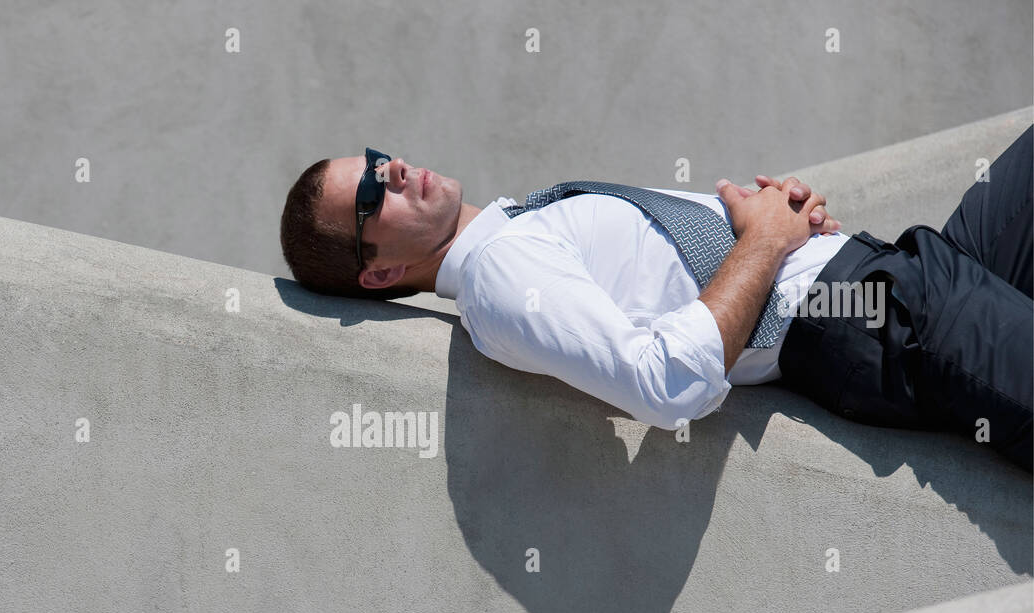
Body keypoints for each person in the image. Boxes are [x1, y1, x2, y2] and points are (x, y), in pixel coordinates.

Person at [279, 128, 1033, 471]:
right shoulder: (500, 280)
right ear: (376, 274)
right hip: (874, 321)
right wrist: (765, 243)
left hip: (906, 270)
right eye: (375, 191)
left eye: (379, 159)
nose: (397, 168)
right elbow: (661, 383)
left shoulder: (519, 226)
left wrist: (765, 225)